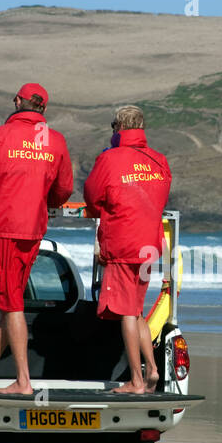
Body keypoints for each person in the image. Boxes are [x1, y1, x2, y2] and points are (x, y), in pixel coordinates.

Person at [0, 83, 73, 394]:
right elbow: (64, 190)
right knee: (8, 303)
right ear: (43, 108)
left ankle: (24, 381)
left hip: (6, 227)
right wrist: (40, 199)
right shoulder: (55, 140)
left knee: (12, 306)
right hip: (33, 228)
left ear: (17, 101)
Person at [84, 105, 172, 394]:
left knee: (126, 313)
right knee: (136, 311)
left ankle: (136, 379)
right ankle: (153, 370)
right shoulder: (159, 160)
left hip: (123, 244)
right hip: (150, 244)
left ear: (117, 128)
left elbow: (93, 196)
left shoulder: (110, 158)